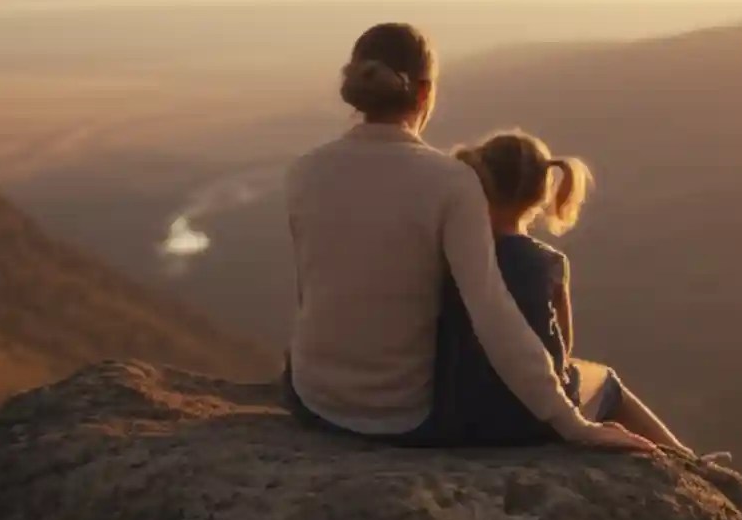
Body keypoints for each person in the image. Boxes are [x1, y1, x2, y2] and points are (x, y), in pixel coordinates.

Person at [282, 22, 654, 452]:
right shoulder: (450, 182)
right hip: (402, 418)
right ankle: (694, 463)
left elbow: (312, 291)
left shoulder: (304, 172)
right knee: (595, 377)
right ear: (424, 93)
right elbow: (492, 313)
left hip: (311, 399)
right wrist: (572, 424)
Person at [433, 130, 695, 453]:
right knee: (607, 381)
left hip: (458, 413)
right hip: (531, 419)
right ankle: (688, 460)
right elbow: (561, 351)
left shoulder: (454, 255)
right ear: (543, 193)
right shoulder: (549, 263)